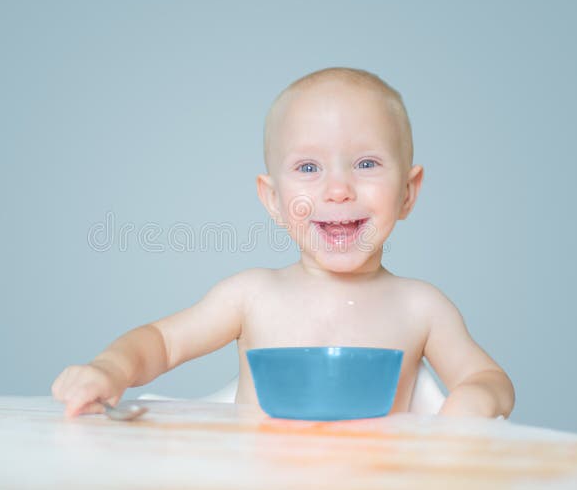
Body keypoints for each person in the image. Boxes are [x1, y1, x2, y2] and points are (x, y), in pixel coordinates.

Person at [52, 67, 516, 420]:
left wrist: (476, 399)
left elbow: (489, 377)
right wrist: (111, 368)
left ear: (408, 193)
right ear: (273, 199)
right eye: (309, 168)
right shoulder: (252, 296)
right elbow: (162, 342)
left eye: (367, 164)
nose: (338, 190)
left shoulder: (421, 308)